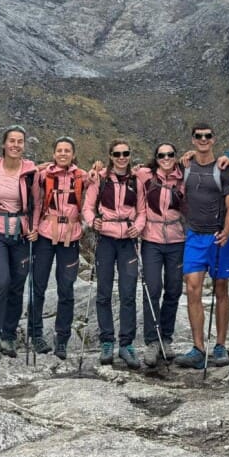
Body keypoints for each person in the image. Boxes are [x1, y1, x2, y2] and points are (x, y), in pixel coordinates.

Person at [176, 123, 229, 370]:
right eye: (198, 136)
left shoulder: (224, 169)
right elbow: (157, 169)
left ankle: (220, 345)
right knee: (193, 289)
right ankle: (198, 348)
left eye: (207, 136)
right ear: (192, 140)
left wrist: (227, 232)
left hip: (218, 236)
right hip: (194, 236)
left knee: (221, 289)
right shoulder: (185, 166)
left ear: (213, 139)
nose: (203, 139)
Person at [83, 139, 146, 368]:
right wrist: (93, 222)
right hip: (106, 240)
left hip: (128, 240)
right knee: (104, 292)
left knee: (128, 293)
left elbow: (142, 210)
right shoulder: (99, 179)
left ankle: (126, 344)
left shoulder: (136, 181)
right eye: (117, 154)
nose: (122, 158)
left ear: (130, 155)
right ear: (110, 156)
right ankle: (107, 342)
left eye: (125, 153)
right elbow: (87, 207)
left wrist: (138, 227)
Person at [27, 136, 88, 360]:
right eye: (59, 150)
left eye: (67, 150)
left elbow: (98, 183)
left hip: (71, 237)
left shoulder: (81, 176)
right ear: (54, 154)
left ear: (73, 154)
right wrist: (33, 228)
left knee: (66, 289)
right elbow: (35, 202)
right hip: (45, 234)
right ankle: (36, 335)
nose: (63, 154)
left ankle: (62, 339)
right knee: (38, 286)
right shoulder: (44, 175)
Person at [0, 126, 38, 359]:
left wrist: (34, 228)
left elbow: (37, 202)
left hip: (22, 235)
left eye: (20, 141)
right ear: (4, 144)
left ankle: (9, 336)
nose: (16, 145)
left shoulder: (31, 171)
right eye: (12, 141)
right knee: (1, 281)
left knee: (17, 285)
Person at [137, 142, 186, 366]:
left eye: (170, 155)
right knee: (152, 288)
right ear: (156, 158)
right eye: (161, 155)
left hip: (177, 239)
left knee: (174, 289)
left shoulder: (183, 177)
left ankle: (166, 338)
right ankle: (152, 341)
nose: (166, 158)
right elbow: (117, 172)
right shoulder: (144, 175)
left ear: (175, 156)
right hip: (151, 239)